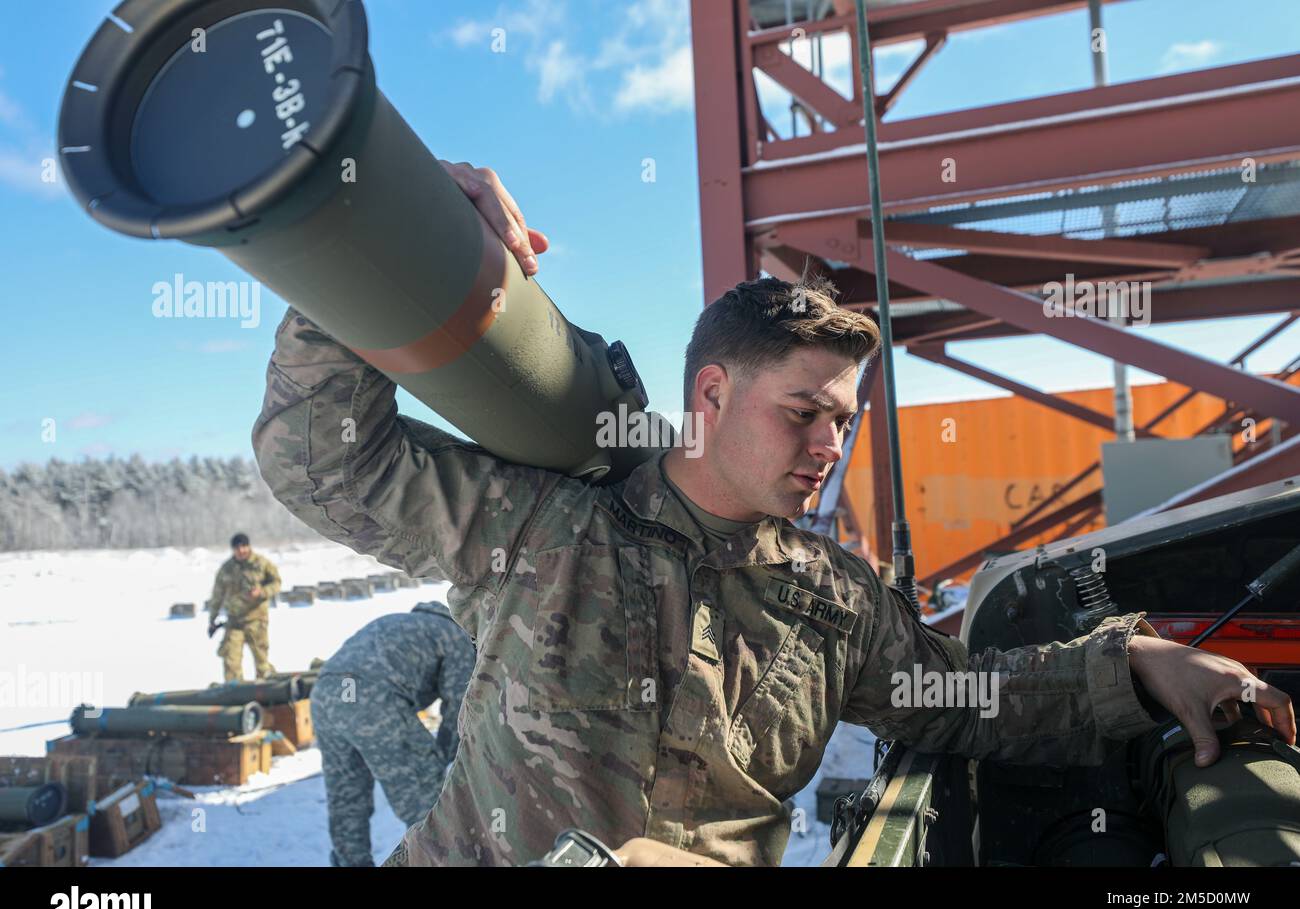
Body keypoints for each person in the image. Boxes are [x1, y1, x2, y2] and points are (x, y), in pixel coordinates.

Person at [251, 162, 1296, 867]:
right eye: (802, 411)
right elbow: (322, 465)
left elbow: (958, 695)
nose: (828, 444)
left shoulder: (830, 602)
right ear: (708, 396)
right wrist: (390, 234)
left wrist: (1136, 662)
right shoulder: (548, 522)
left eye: (841, 419)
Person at [311, 601, 476, 867]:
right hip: (370, 698)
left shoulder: (400, 622)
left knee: (347, 797)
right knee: (428, 800)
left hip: (325, 692)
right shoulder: (456, 635)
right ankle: (451, 861)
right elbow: (459, 708)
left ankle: (349, 862)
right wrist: (441, 760)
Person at [206, 533, 281, 681]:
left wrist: (262, 592)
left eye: (243, 547)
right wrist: (212, 618)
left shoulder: (261, 564)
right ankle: (236, 693)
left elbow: (276, 583)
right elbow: (217, 596)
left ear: (249, 546)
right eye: (237, 548)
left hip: (256, 621)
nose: (241, 551)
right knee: (231, 663)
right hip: (234, 622)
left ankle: (267, 695)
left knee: (262, 664)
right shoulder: (226, 569)